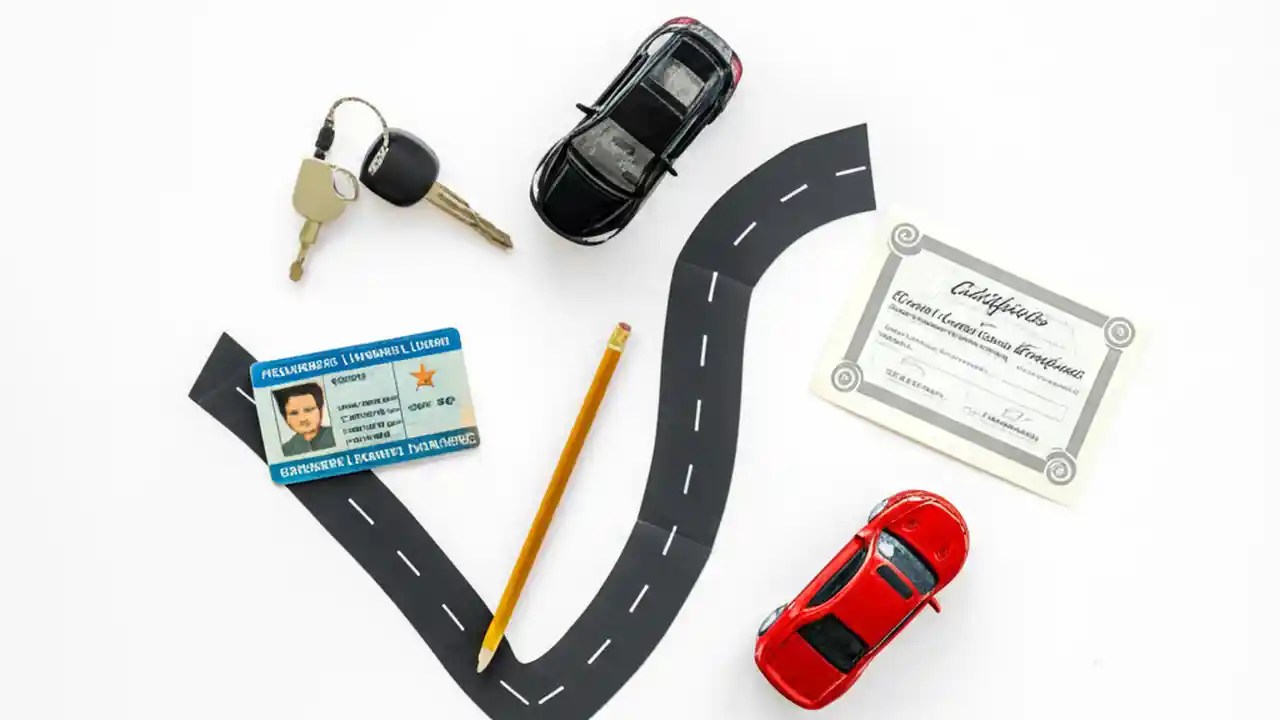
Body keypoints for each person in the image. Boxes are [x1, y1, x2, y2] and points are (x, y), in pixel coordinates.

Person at [273, 382, 336, 457]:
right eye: (294, 413)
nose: (302, 418)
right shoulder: (285, 450)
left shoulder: (336, 434)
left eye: (308, 410)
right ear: (285, 417)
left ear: (320, 410)